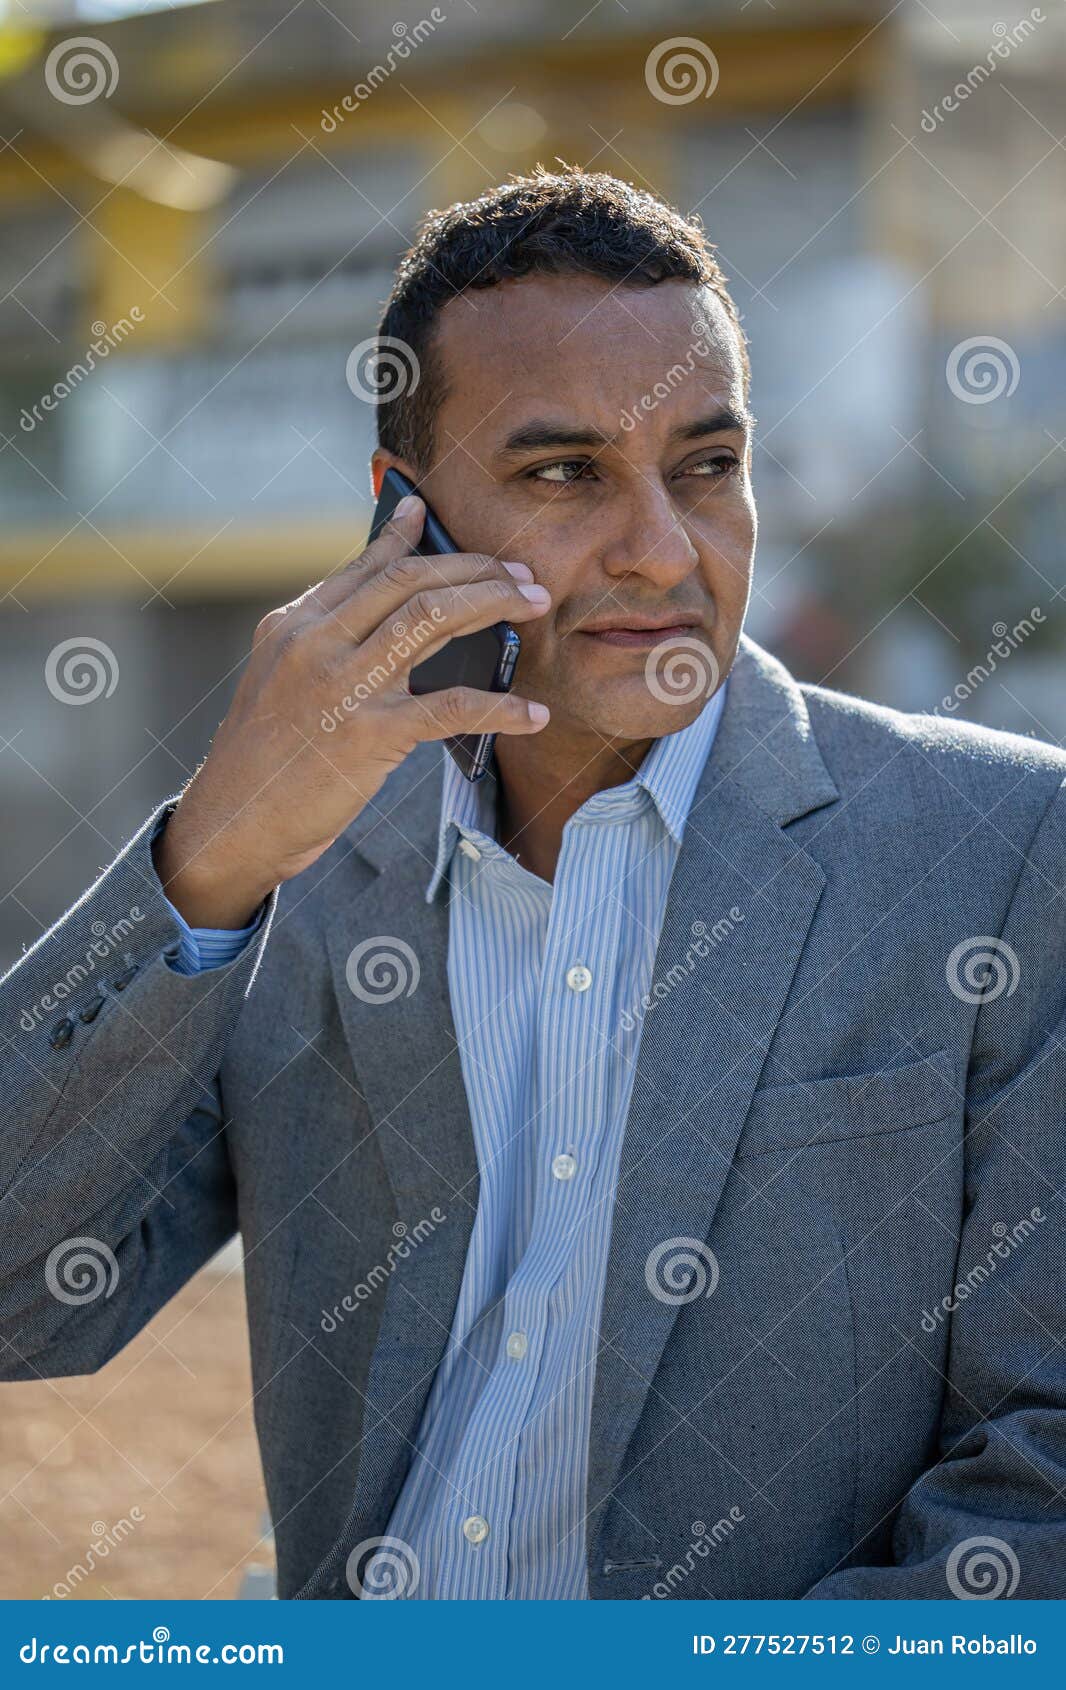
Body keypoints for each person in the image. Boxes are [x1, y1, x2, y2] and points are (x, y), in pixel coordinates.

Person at [2, 169, 1064, 1602]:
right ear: (408, 516)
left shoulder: (995, 851)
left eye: (702, 466)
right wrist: (211, 861)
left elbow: (1038, 1490)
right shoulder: (300, 878)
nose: (661, 548)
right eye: (564, 473)